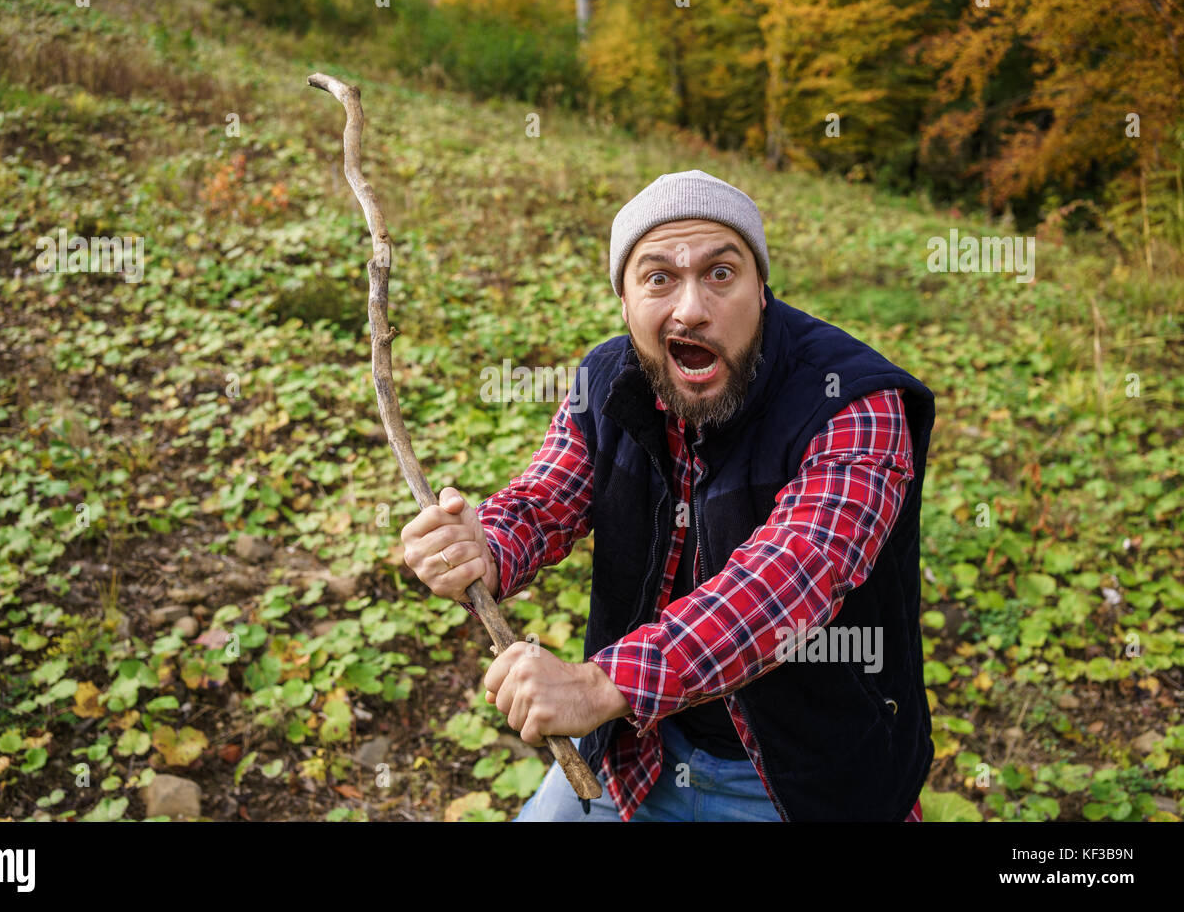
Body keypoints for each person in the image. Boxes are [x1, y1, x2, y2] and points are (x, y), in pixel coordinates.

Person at [401, 170, 935, 821]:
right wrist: (482, 543)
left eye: (720, 273)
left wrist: (603, 683)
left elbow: (792, 576)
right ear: (624, 304)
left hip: (807, 787)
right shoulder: (605, 380)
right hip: (636, 759)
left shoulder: (854, 402)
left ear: (761, 289)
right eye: (658, 278)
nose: (690, 310)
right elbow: (545, 499)